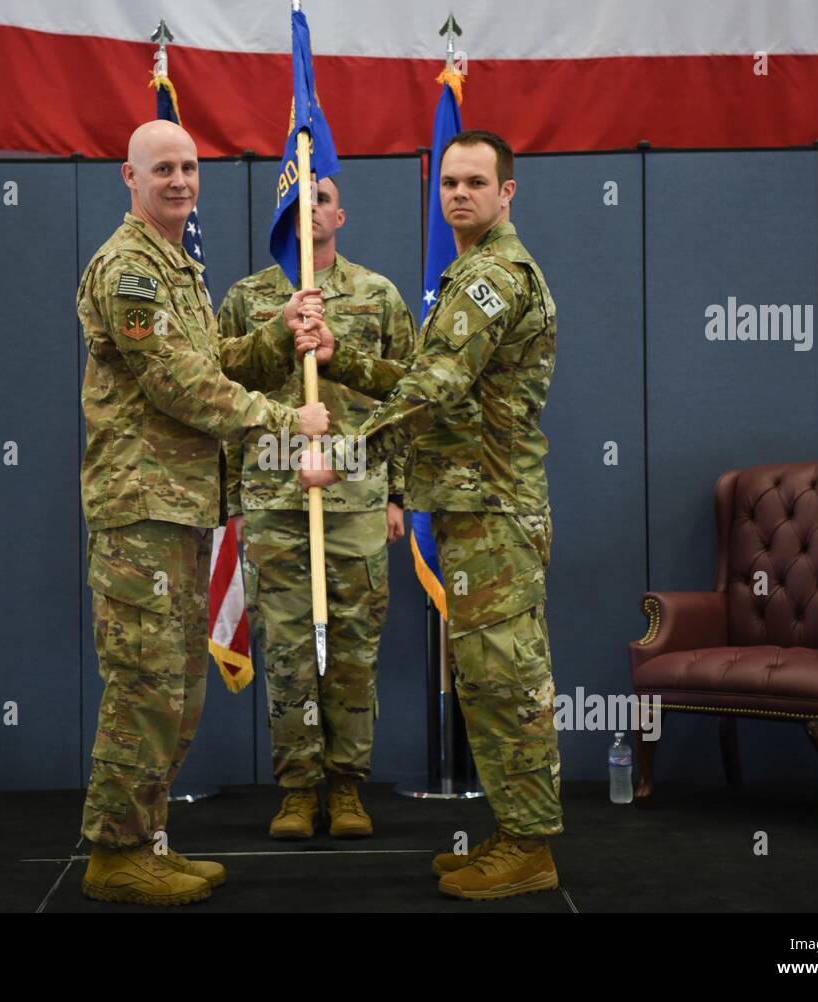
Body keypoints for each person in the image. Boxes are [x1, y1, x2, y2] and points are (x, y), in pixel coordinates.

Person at [296, 129, 563, 900]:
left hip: (493, 507)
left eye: (476, 182)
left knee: (508, 679)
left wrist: (341, 451)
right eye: (449, 181)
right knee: (485, 677)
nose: (458, 194)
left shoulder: (494, 279)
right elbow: (422, 373)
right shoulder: (469, 273)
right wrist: (338, 352)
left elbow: (434, 388)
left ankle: (531, 846)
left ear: (506, 193)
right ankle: (513, 831)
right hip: (470, 504)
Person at [77, 118, 330, 906]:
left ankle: (147, 839)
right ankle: (113, 854)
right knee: (144, 686)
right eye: (163, 170)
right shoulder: (129, 270)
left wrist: (275, 334)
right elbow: (176, 384)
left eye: (189, 167)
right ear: (130, 178)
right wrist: (289, 422)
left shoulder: (177, 267)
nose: (180, 181)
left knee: (178, 684)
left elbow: (210, 358)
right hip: (141, 507)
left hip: (181, 507)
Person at [215, 175, 416, 840]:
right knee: (288, 652)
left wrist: (396, 495)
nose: (311, 209)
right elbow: (216, 388)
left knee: (354, 649)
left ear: (342, 213)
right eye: (298, 199)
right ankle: (298, 790)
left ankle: (348, 786)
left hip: (356, 497)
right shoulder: (248, 299)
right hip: (274, 498)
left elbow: (409, 396)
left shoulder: (377, 295)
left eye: (323, 198)